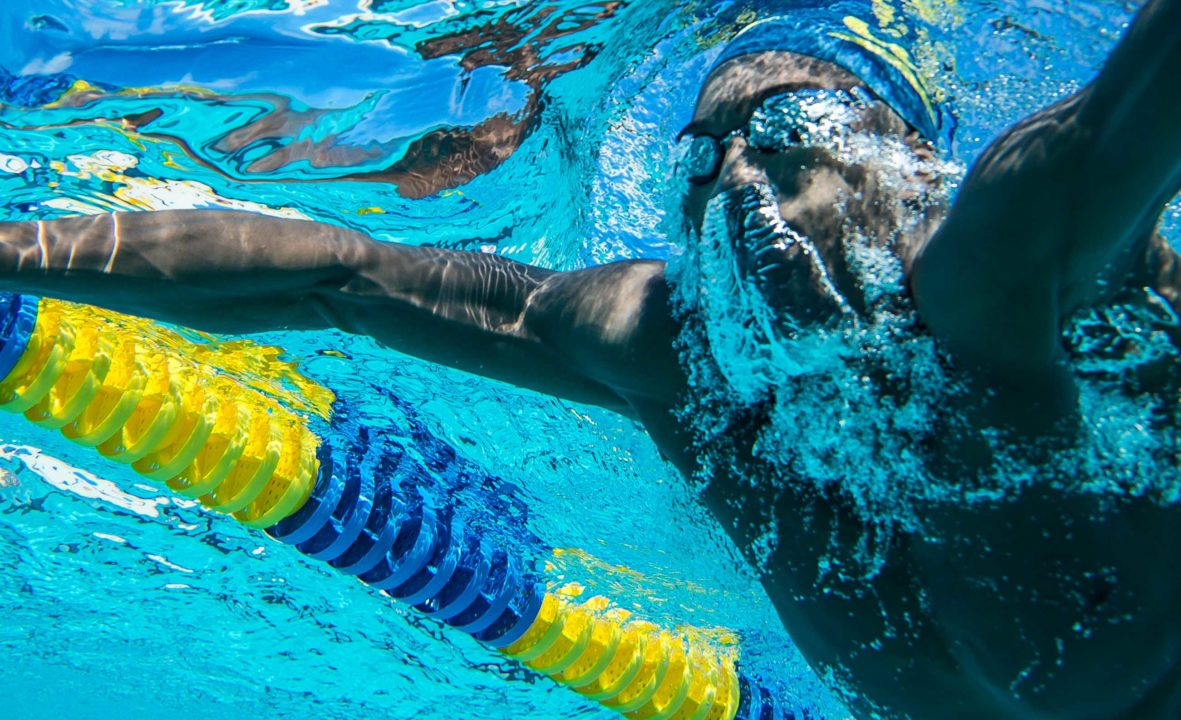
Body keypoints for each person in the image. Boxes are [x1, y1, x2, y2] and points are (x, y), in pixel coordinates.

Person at [0, 0, 1178, 717]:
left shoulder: (1021, 271)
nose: (752, 211)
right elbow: (330, 274)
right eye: (717, 173)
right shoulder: (666, 341)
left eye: (780, 160)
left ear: (904, 171)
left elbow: (1129, 113)